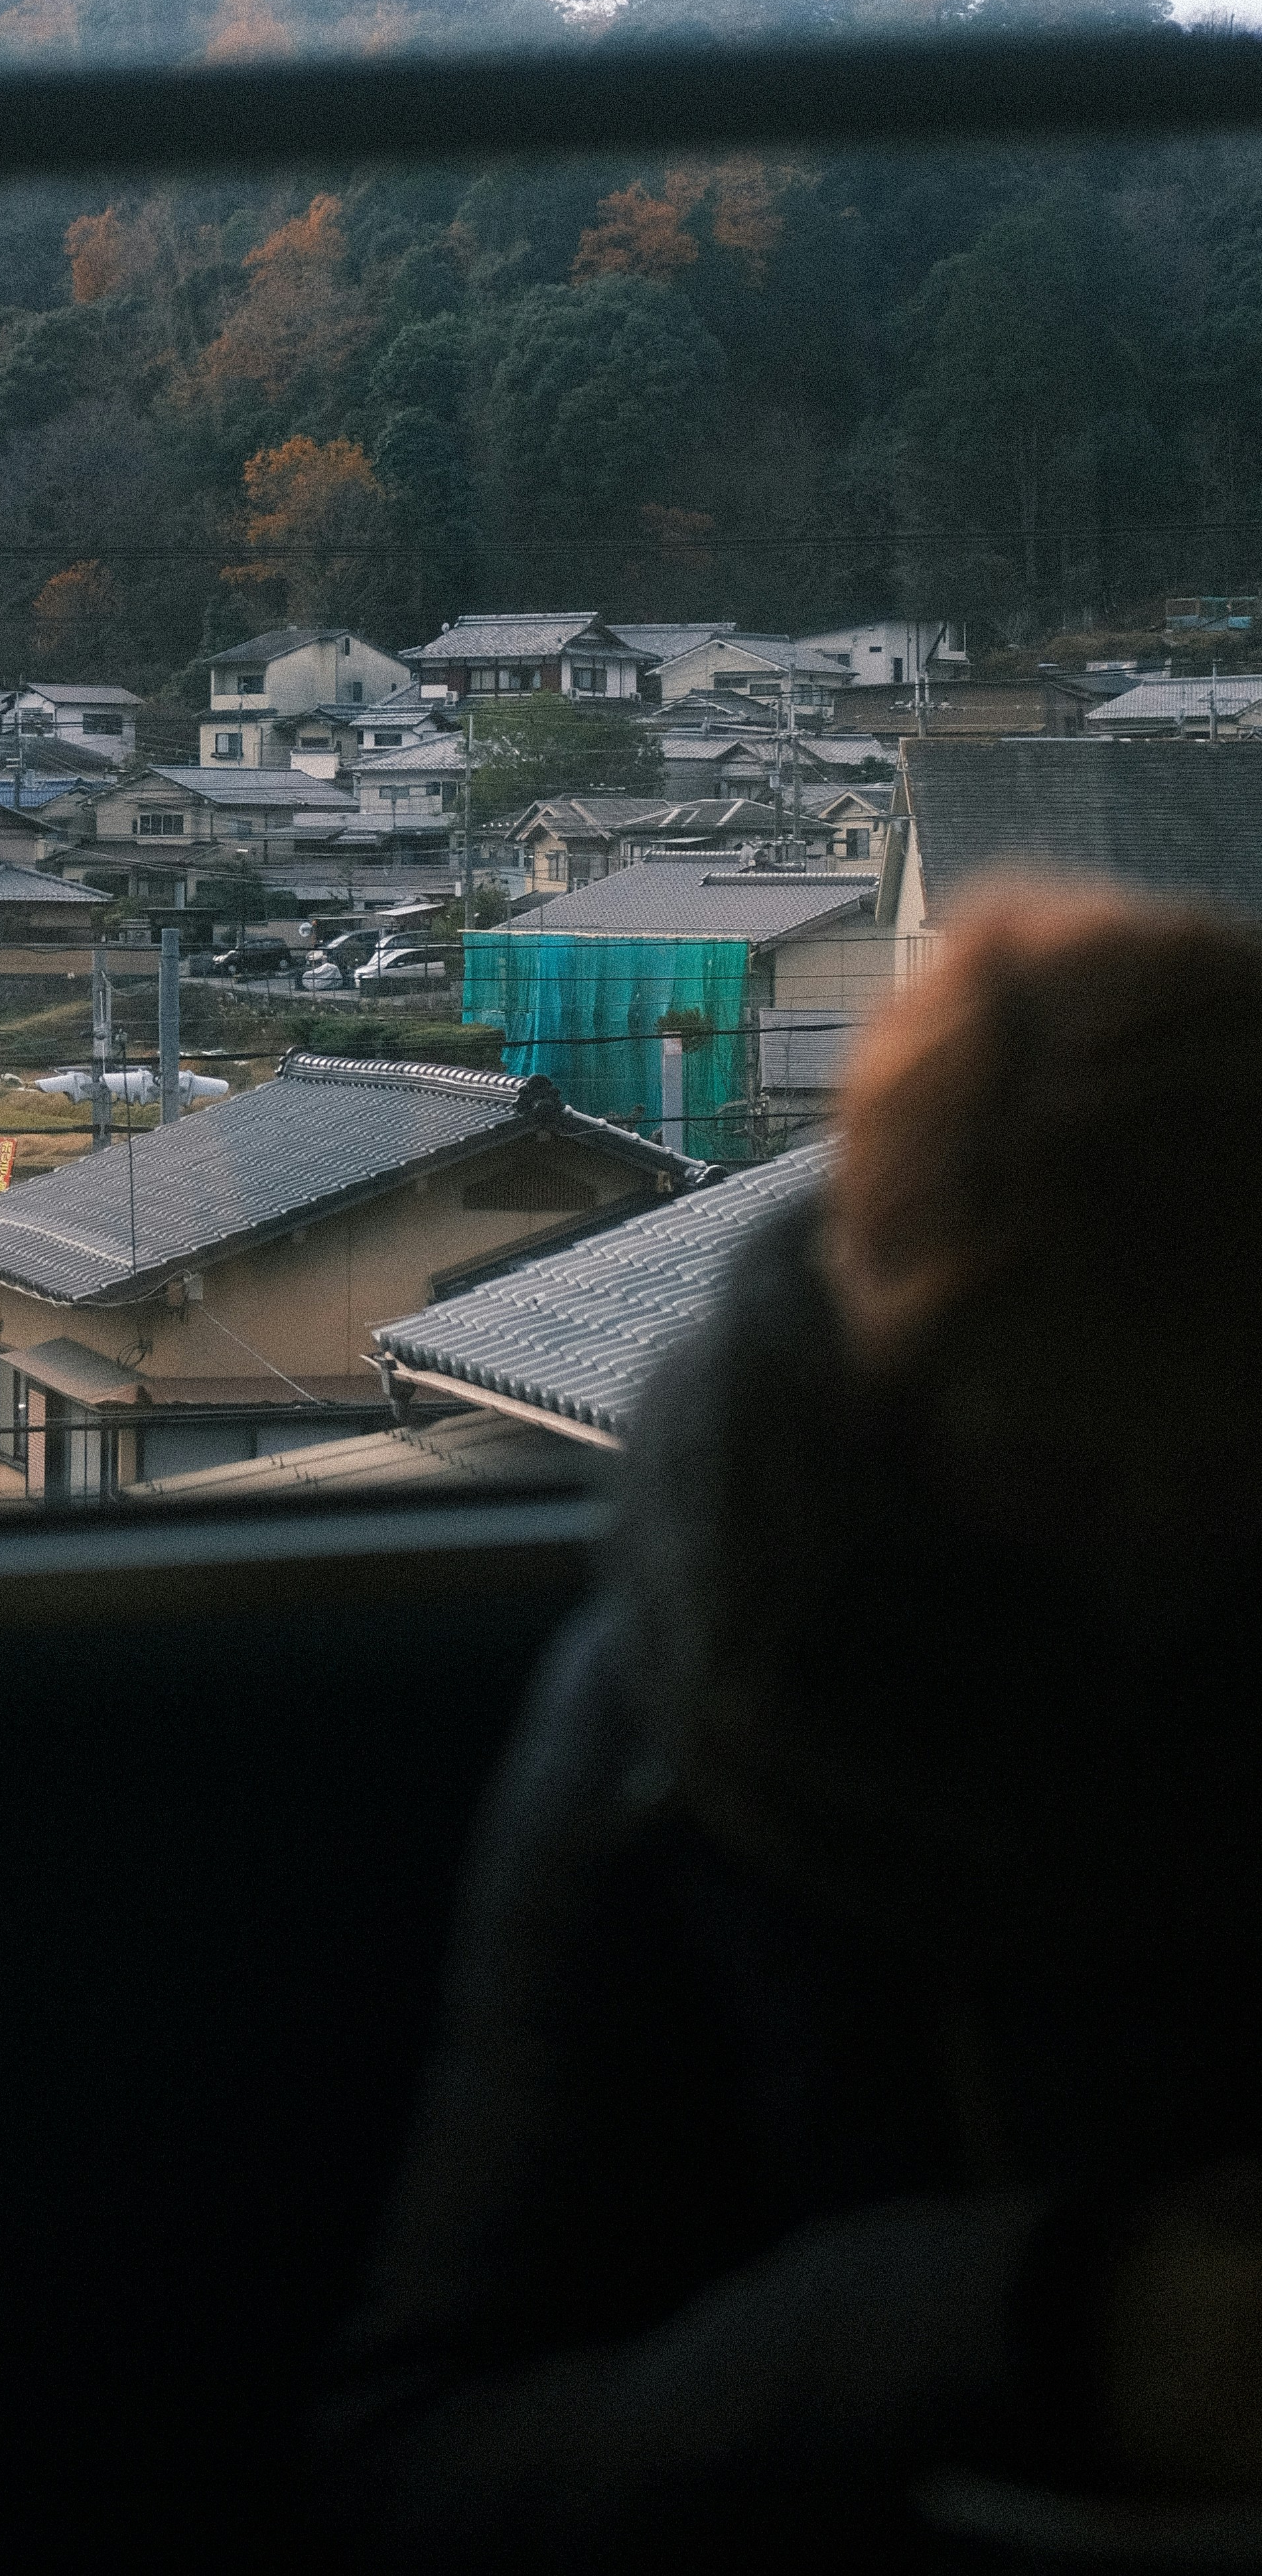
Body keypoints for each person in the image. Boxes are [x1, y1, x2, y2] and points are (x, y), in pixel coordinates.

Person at [324, 882, 1262, 2567]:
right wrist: (1013, 2324)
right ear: (888, 1395)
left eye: (1224, 1475)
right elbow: (435, 2465)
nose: (1153, 1550)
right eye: (1055, 1474)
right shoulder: (701, 1711)